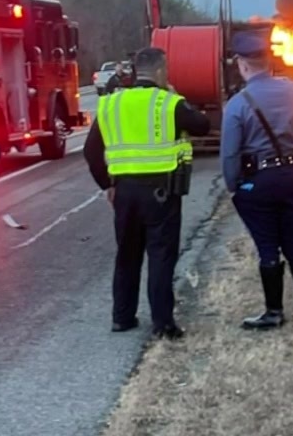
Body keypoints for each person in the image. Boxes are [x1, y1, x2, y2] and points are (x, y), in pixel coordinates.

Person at [84, 47, 211, 340]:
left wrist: (108, 185)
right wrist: (179, 97)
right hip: (160, 192)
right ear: (160, 71)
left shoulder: (111, 104)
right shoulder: (168, 103)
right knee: (160, 256)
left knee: (127, 256)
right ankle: (163, 323)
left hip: (124, 193)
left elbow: (91, 152)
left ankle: (122, 317)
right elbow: (202, 126)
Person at [220, 29, 293, 330]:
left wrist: (234, 186)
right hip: (291, 175)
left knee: (267, 245)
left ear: (242, 64)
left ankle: (274, 312)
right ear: (268, 60)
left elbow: (230, 155)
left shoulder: (237, 104)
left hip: (257, 181)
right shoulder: (292, 90)